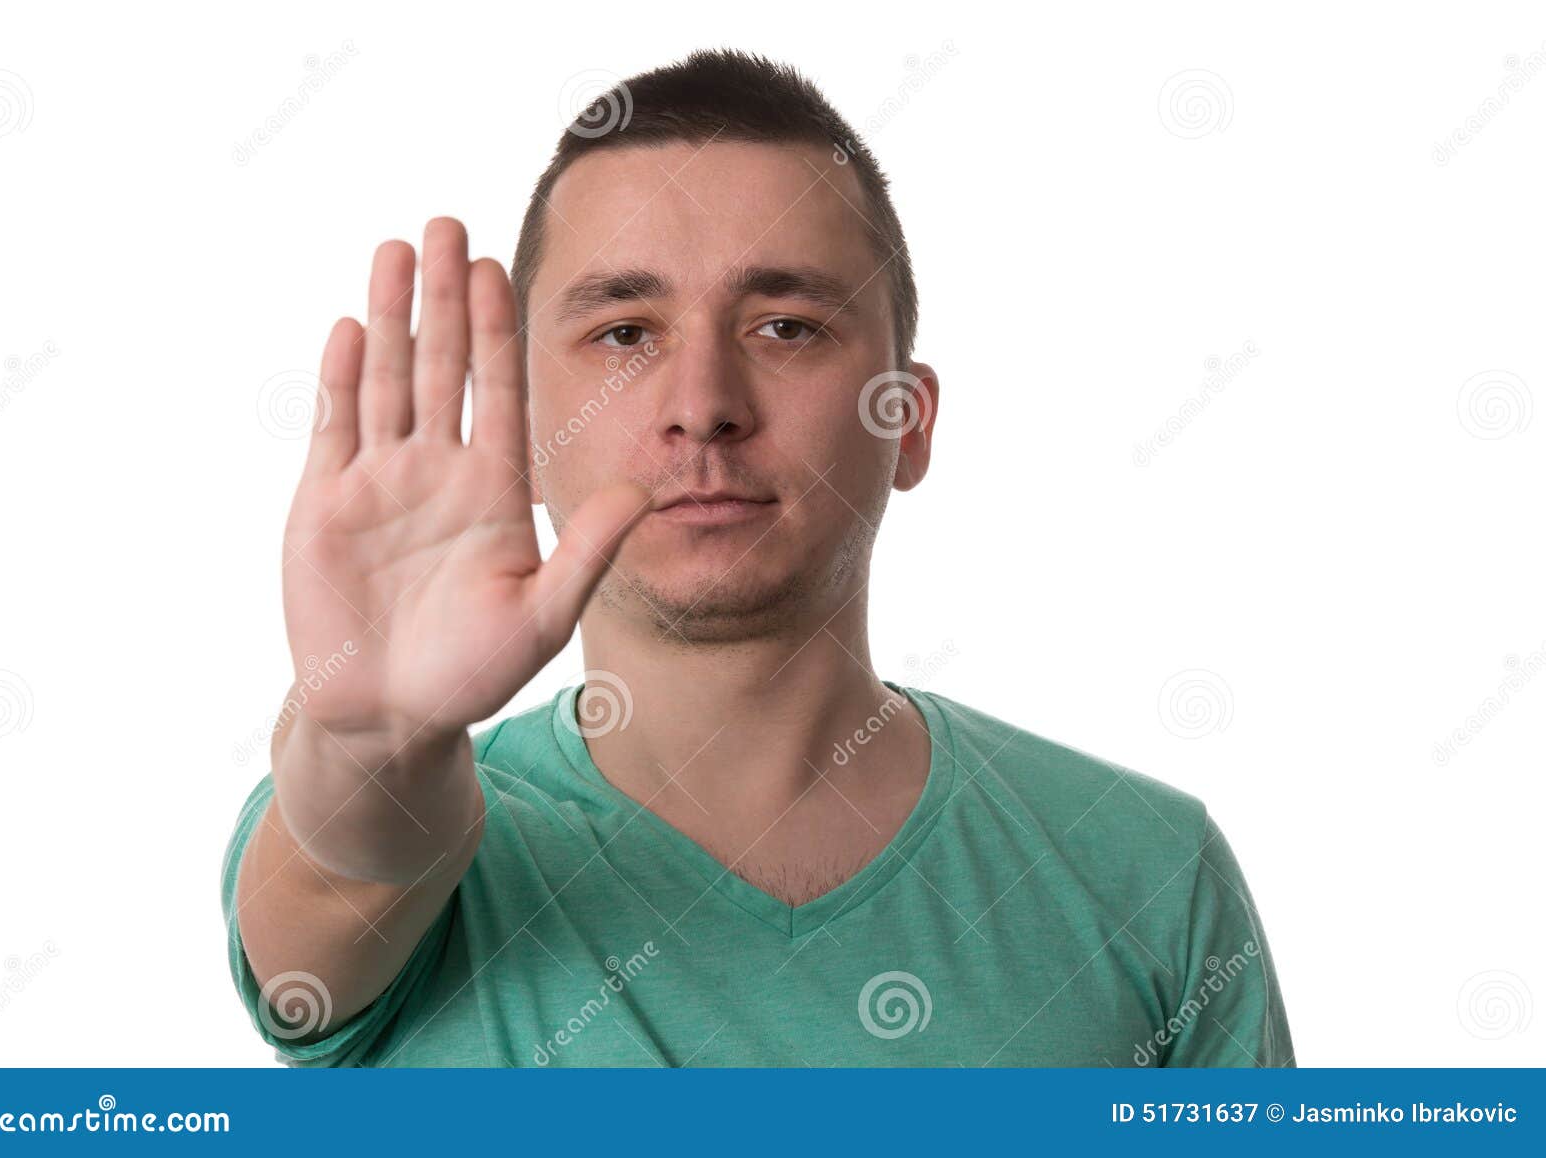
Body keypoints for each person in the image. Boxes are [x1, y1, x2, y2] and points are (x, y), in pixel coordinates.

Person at [220, 47, 1294, 1067]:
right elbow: (349, 867)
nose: (703, 409)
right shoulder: (426, 851)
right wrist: (376, 743)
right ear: (524, 428)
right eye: (625, 334)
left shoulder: (1148, 873)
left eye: (785, 327)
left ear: (907, 421)